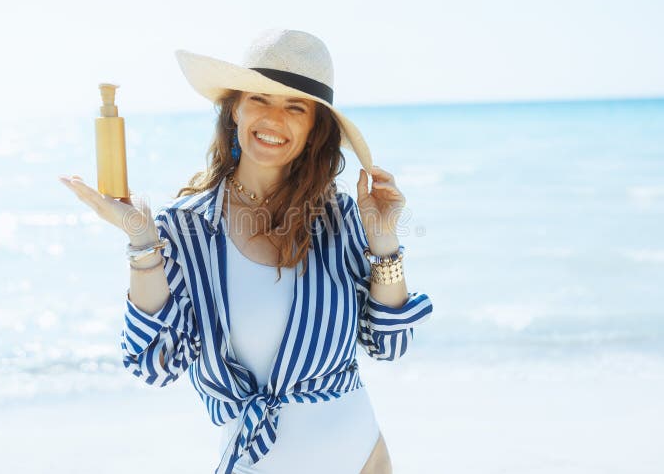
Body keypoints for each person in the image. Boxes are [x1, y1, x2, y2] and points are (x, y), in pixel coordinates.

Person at [59, 29, 433, 474]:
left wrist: (385, 242)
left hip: (362, 458)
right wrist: (142, 242)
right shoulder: (183, 228)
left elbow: (390, 344)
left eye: (295, 107)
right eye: (260, 99)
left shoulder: (339, 216)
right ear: (234, 108)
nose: (275, 119)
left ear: (314, 128)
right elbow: (154, 364)